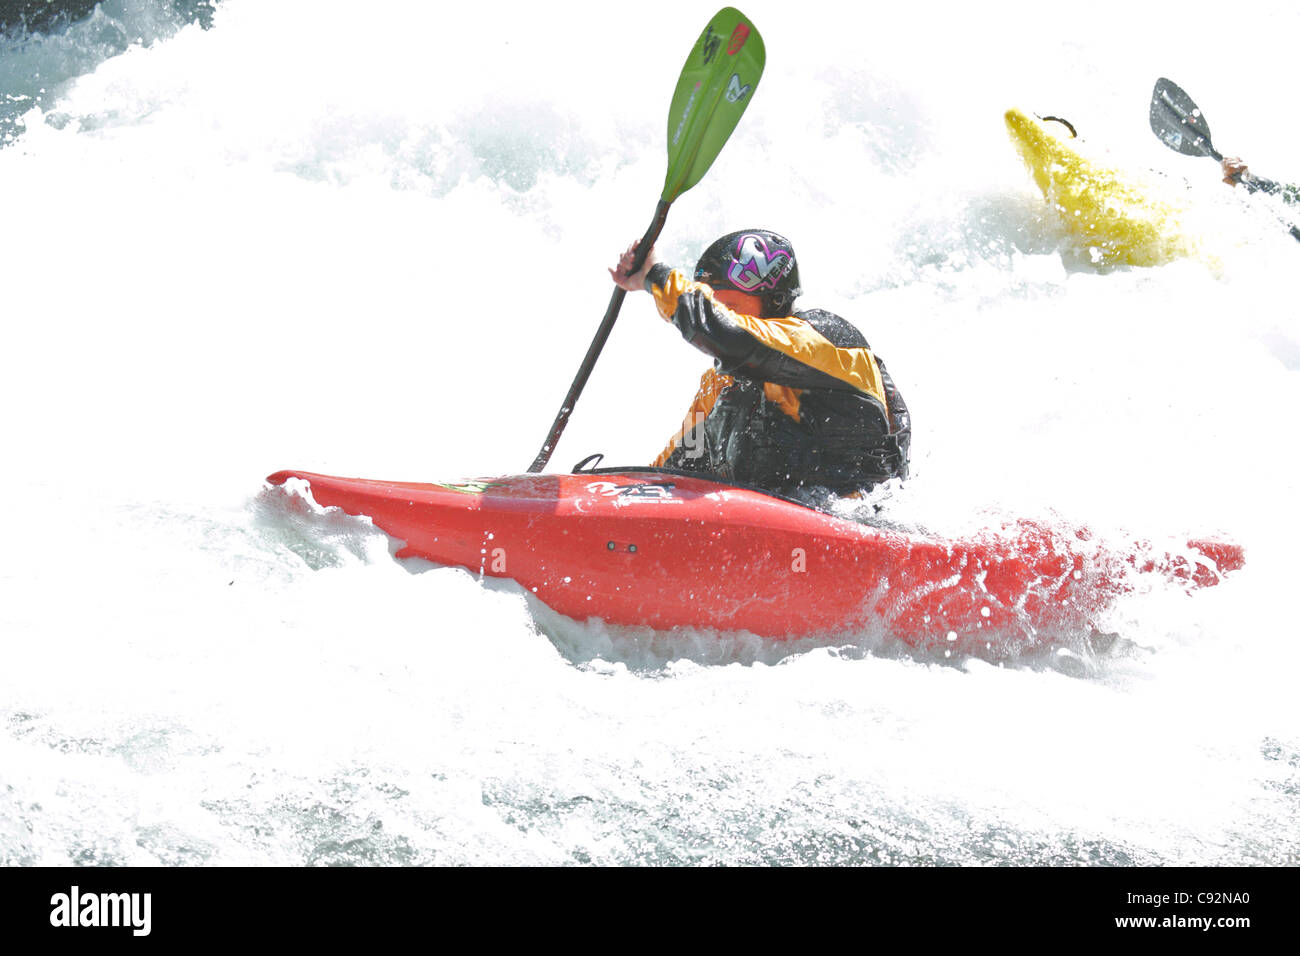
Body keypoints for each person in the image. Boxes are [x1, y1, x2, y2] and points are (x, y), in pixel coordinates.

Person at [608, 229, 910, 499]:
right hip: (768, 525)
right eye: (717, 307)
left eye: (730, 307)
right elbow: (678, 463)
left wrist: (655, 275)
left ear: (773, 300)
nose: (723, 315)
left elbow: (728, 334)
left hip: (856, 524)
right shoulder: (724, 383)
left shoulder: (826, 343)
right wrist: (626, 494)